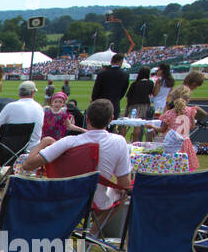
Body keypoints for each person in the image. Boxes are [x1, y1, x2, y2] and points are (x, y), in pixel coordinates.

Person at [22, 99, 131, 233]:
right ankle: (92, 233)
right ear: (111, 119)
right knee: (122, 193)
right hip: (95, 201)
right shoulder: (119, 142)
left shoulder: (69, 142)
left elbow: (27, 164)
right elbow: (124, 184)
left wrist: (44, 142)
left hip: (64, 197)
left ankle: (87, 232)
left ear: (88, 119)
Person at [0, 80, 44, 156]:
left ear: (19, 93)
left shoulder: (10, 106)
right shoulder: (39, 108)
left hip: (9, 151)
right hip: (31, 151)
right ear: (33, 93)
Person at [158, 85, 198, 172]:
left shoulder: (168, 113)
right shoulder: (191, 111)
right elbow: (192, 126)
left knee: (169, 166)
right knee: (186, 166)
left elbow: (162, 129)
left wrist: (152, 127)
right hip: (185, 142)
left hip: (171, 144)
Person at [90, 53, 129, 118]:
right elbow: (123, 91)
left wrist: (94, 100)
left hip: (101, 105)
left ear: (111, 61)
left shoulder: (102, 74)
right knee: (112, 125)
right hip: (115, 104)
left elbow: (96, 90)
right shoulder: (125, 75)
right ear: (121, 62)